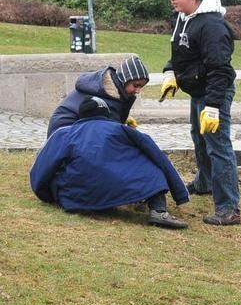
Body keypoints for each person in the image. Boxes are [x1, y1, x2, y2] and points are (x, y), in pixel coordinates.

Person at [158, 0, 241, 226]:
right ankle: (204, 183)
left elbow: (220, 69)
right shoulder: (184, 18)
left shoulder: (212, 26)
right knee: (199, 137)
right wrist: (170, 72)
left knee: (218, 147)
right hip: (197, 90)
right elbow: (182, 56)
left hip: (214, 92)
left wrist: (214, 106)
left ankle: (229, 208)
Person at [30, 96, 189, 228]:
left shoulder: (65, 133)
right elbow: (159, 157)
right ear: (107, 114)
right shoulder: (122, 129)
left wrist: (47, 196)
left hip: (76, 198)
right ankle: (158, 210)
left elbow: (43, 167)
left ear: (81, 115)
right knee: (152, 162)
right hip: (119, 192)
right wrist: (180, 193)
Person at [47, 56, 149, 137]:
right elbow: (112, 134)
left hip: (72, 134)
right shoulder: (108, 96)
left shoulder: (112, 92)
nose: (138, 91)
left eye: (141, 87)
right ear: (124, 79)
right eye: (135, 85)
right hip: (63, 136)